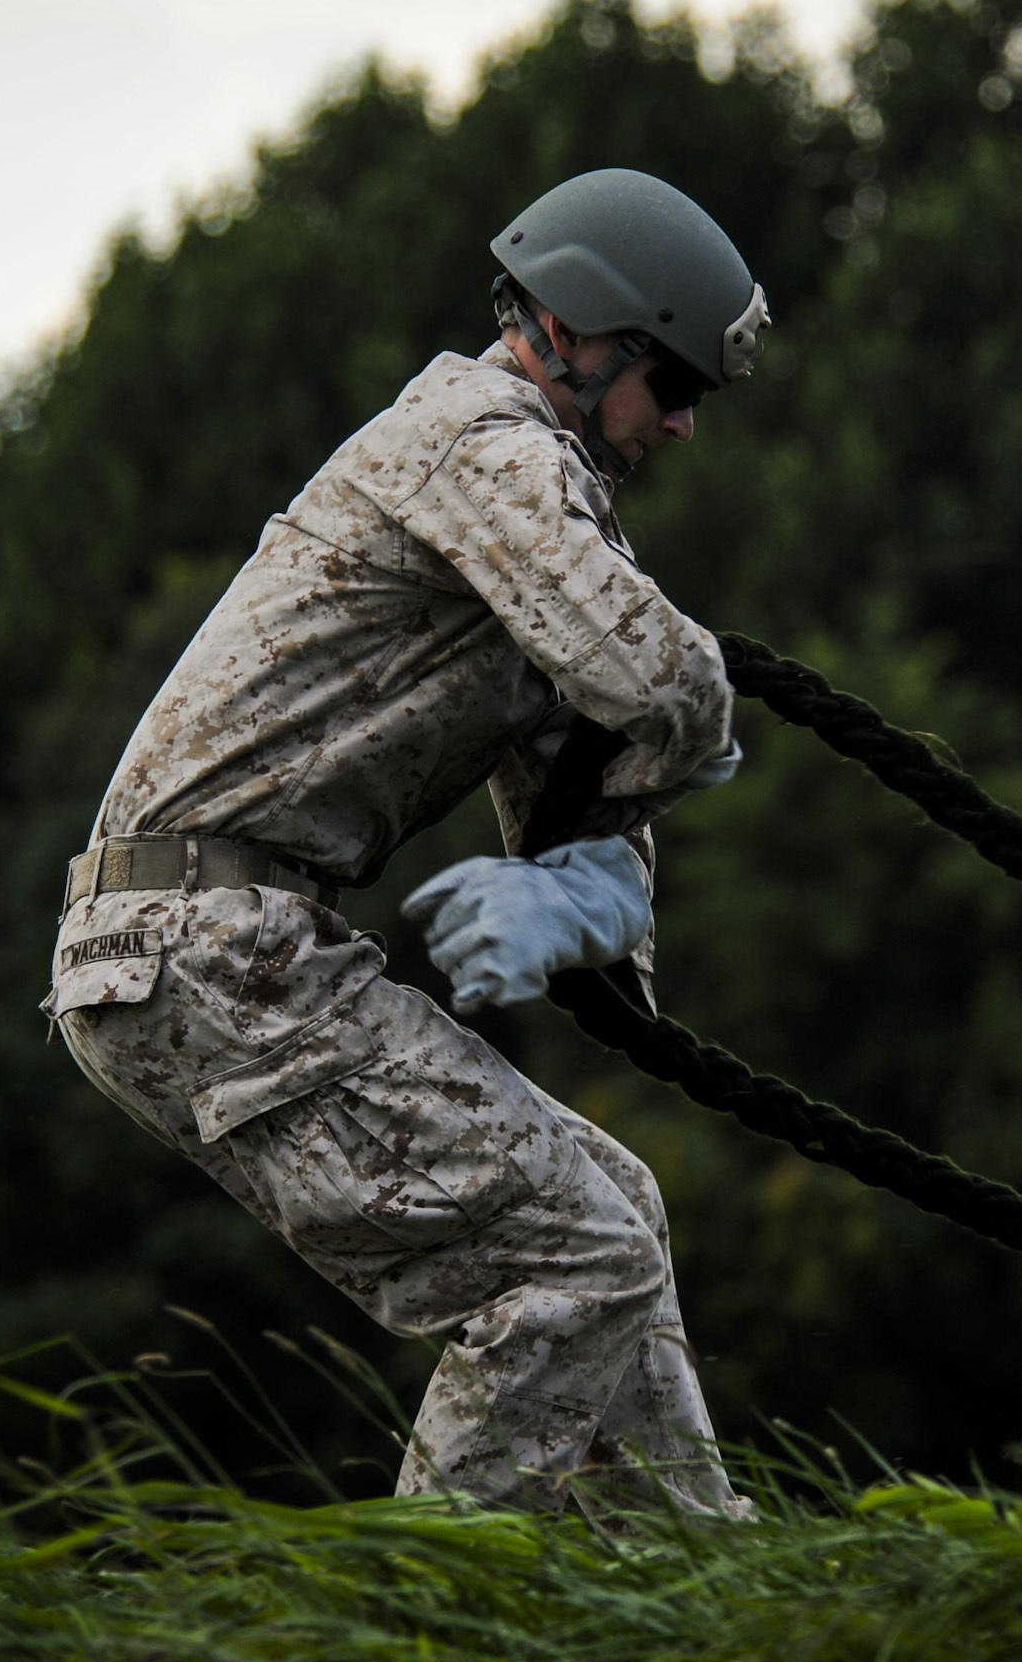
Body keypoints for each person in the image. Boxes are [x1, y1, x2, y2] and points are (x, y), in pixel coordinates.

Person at [44, 168, 770, 1514]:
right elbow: (659, 683)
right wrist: (698, 721)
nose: (678, 425)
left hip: (210, 950)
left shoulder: (525, 517)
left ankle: (715, 1612)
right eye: (671, 383)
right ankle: (421, 1638)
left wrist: (596, 902)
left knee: (615, 1211)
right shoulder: (483, 442)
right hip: (209, 950)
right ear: (586, 332)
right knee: (575, 1258)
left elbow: (586, 779)